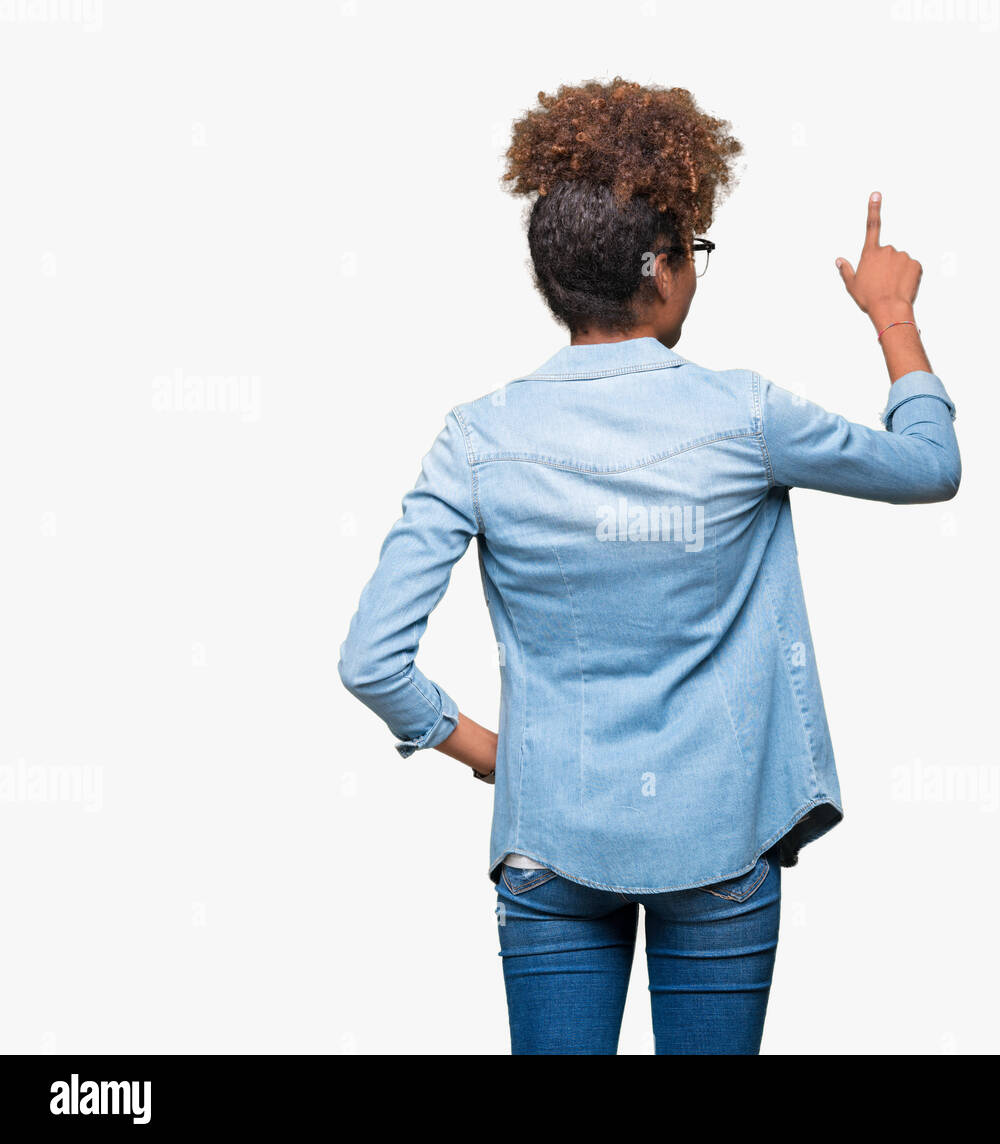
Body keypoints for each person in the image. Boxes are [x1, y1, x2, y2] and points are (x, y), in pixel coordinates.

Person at [338, 78, 960, 1054]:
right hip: (720, 839)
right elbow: (930, 466)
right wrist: (890, 314)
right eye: (692, 252)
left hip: (546, 839)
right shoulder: (745, 415)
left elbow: (371, 658)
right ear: (661, 268)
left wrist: (498, 756)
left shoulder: (476, 438)